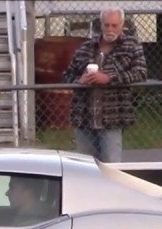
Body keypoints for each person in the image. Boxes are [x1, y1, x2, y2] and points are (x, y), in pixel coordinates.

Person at [61, 8, 148, 163]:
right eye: (107, 25)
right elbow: (67, 75)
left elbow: (140, 73)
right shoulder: (86, 47)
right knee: (84, 165)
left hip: (112, 116)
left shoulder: (132, 46)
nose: (110, 29)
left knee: (111, 165)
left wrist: (109, 78)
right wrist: (79, 81)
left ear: (122, 25)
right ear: (101, 25)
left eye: (114, 25)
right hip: (84, 117)